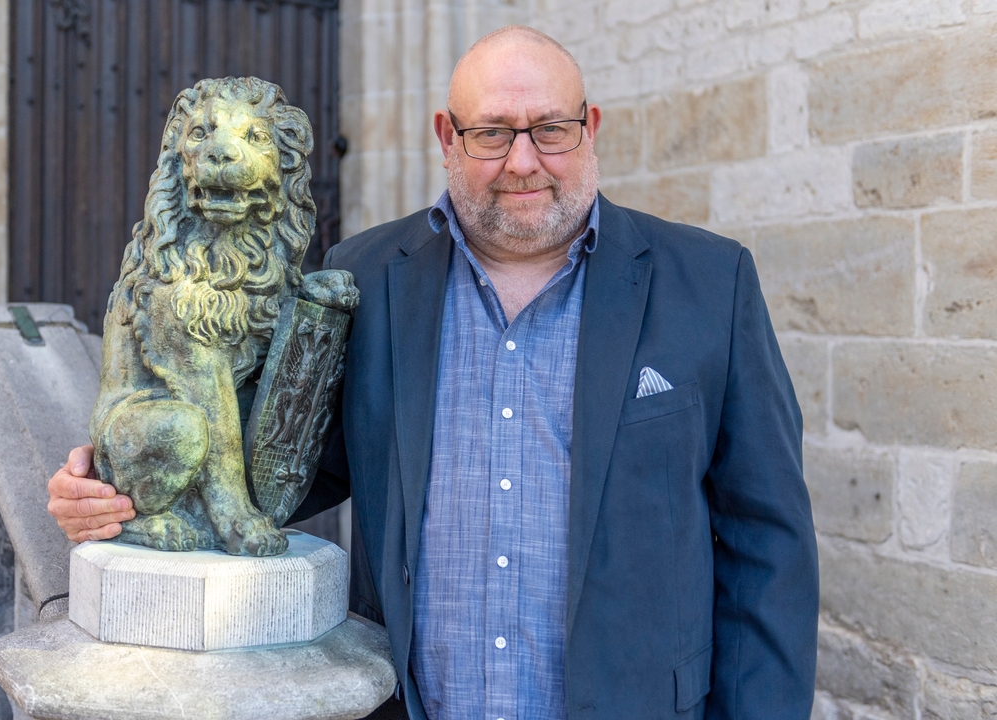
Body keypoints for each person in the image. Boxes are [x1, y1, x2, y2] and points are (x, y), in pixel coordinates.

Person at [48, 25, 819, 719]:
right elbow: (286, 470)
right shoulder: (364, 277)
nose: (523, 162)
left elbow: (767, 542)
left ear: (591, 129)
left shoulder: (710, 284)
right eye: (491, 133)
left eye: (550, 129)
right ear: (447, 136)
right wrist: (111, 487)